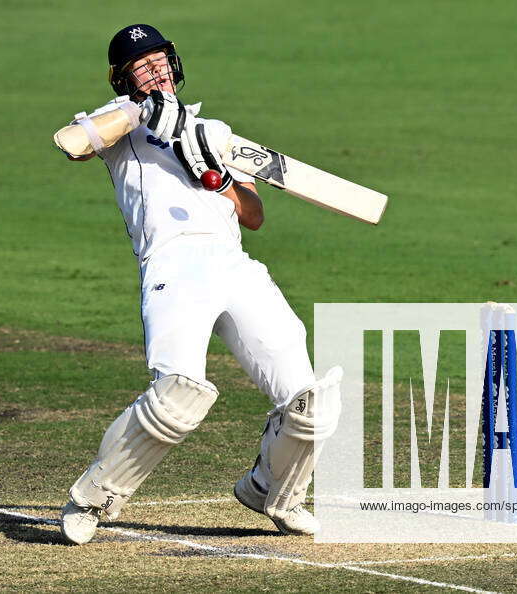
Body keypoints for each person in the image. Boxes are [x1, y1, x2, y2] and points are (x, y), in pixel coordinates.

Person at [58, 23, 341, 545]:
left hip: (234, 265)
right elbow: (72, 143)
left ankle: (273, 493)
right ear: (124, 78)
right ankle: (92, 500)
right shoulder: (123, 129)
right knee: (177, 396)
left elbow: (254, 216)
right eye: (142, 66)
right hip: (173, 266)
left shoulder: (215, 131)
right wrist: (142, 111)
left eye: (161, 59)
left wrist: (219, 174)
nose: (156, 69)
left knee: (310, 400)